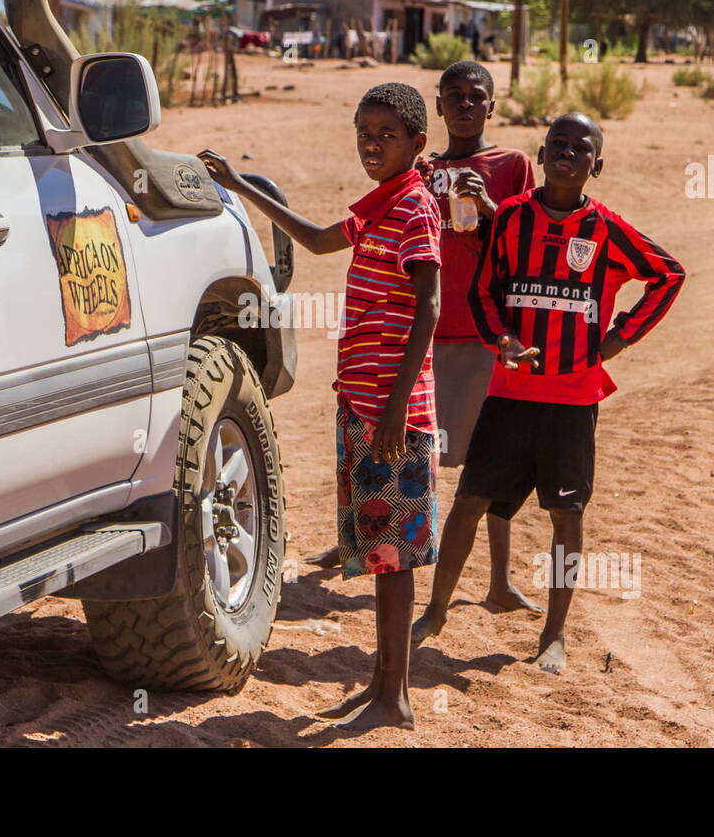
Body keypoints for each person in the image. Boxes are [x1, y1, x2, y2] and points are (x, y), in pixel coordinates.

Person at [199, 82, 442, 730]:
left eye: (386, 135)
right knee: (378, 553)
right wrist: (242, 188)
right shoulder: (378, 206)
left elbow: (430, 306)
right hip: (363, 406)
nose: (371, 144)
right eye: (364, 132)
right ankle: (381, 685)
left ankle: (395, 697)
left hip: (396, 414)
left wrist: (394, 410)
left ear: (418, 144)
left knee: (394, 559)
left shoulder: (415, 209)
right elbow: (314, 240)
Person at [411, 112, 684, 674]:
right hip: (509, 393)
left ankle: (553, 635)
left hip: (574, 399)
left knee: (567, 514)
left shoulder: (606, 230)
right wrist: (503, 341)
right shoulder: (510, 218)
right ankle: (436, 610)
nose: (567, 152)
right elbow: (485, 293)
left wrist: (618, 339)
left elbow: (668, 274)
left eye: (579, 148)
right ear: (539, 154)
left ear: (596, 164)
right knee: (469, 501)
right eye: (556, 143)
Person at [307, 61, 539, 612]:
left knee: (490, 461)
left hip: (485, 330)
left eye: (475, 96)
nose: (464, 104)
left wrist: (486, 207)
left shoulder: (510, 164)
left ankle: (497, 580)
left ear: (492, 104)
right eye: (453, 95)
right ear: (436, 109)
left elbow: (524, 243)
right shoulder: (420, 172)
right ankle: (366, 542)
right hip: (427, 338)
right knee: (421, 458)